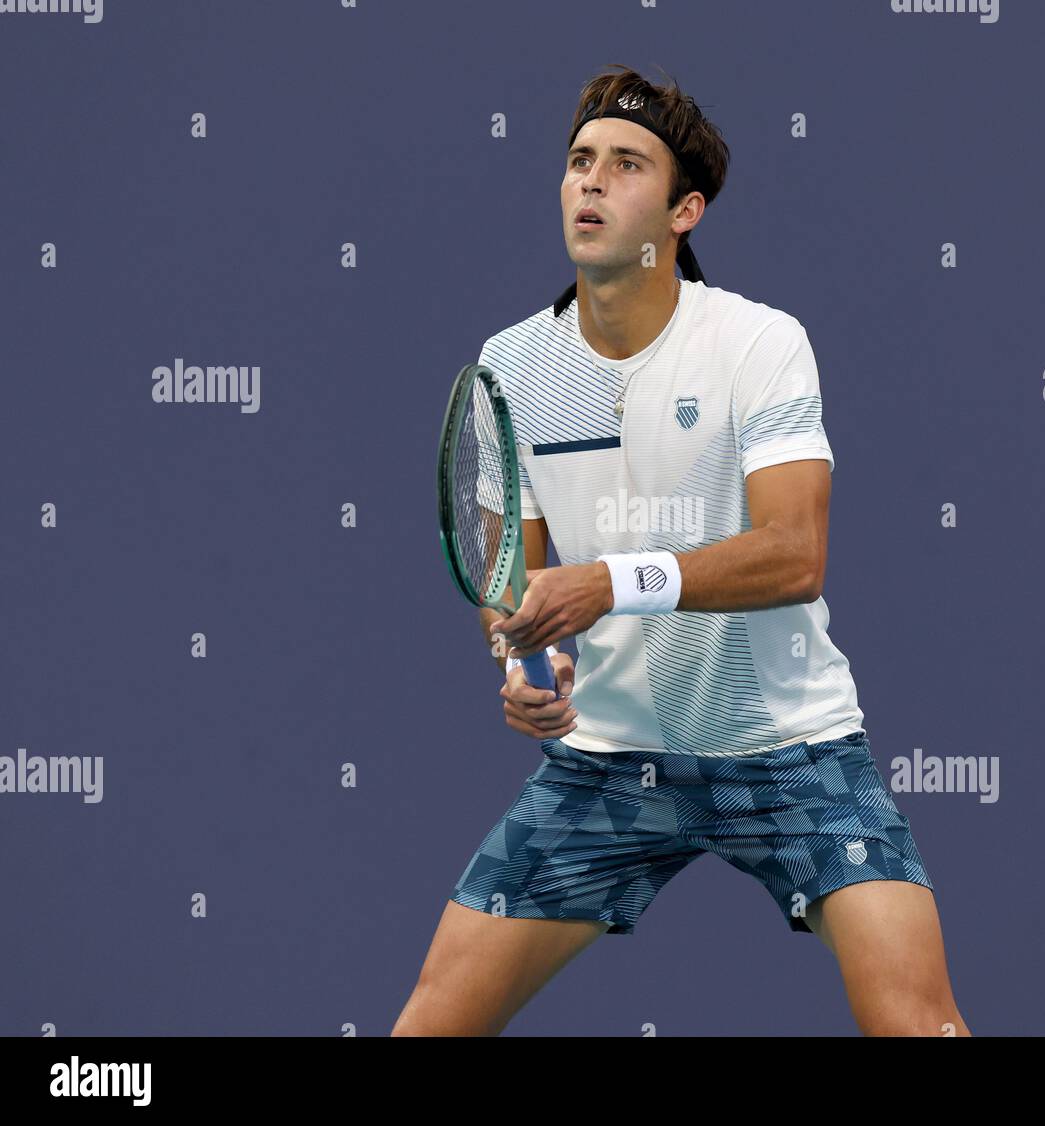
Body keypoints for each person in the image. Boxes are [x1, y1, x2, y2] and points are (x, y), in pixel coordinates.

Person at [393, 64, 970, 1037]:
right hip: (605, 767)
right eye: (579, 162)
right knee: (428, 1027)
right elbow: (517, 579)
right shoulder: (515, 365)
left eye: (625, 165)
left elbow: (793, 555)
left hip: (792, 753)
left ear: (683, 210)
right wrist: (525, 653)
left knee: (919, 1025)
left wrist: (607, 584)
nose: (590, 182)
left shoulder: (758, 344)